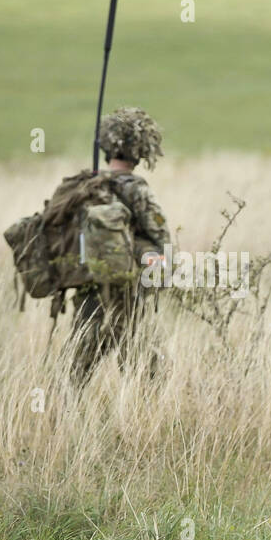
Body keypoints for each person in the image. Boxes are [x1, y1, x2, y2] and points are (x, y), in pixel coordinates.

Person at [68, 106, 171, 385]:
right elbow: (161, 239)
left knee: (76, 367)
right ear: (140, 151)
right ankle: (141, 419)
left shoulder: (86, 186)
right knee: (143, 365)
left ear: (106, 147)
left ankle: (61, 416)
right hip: (128, 290)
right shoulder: (137, 189)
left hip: (89, 285)